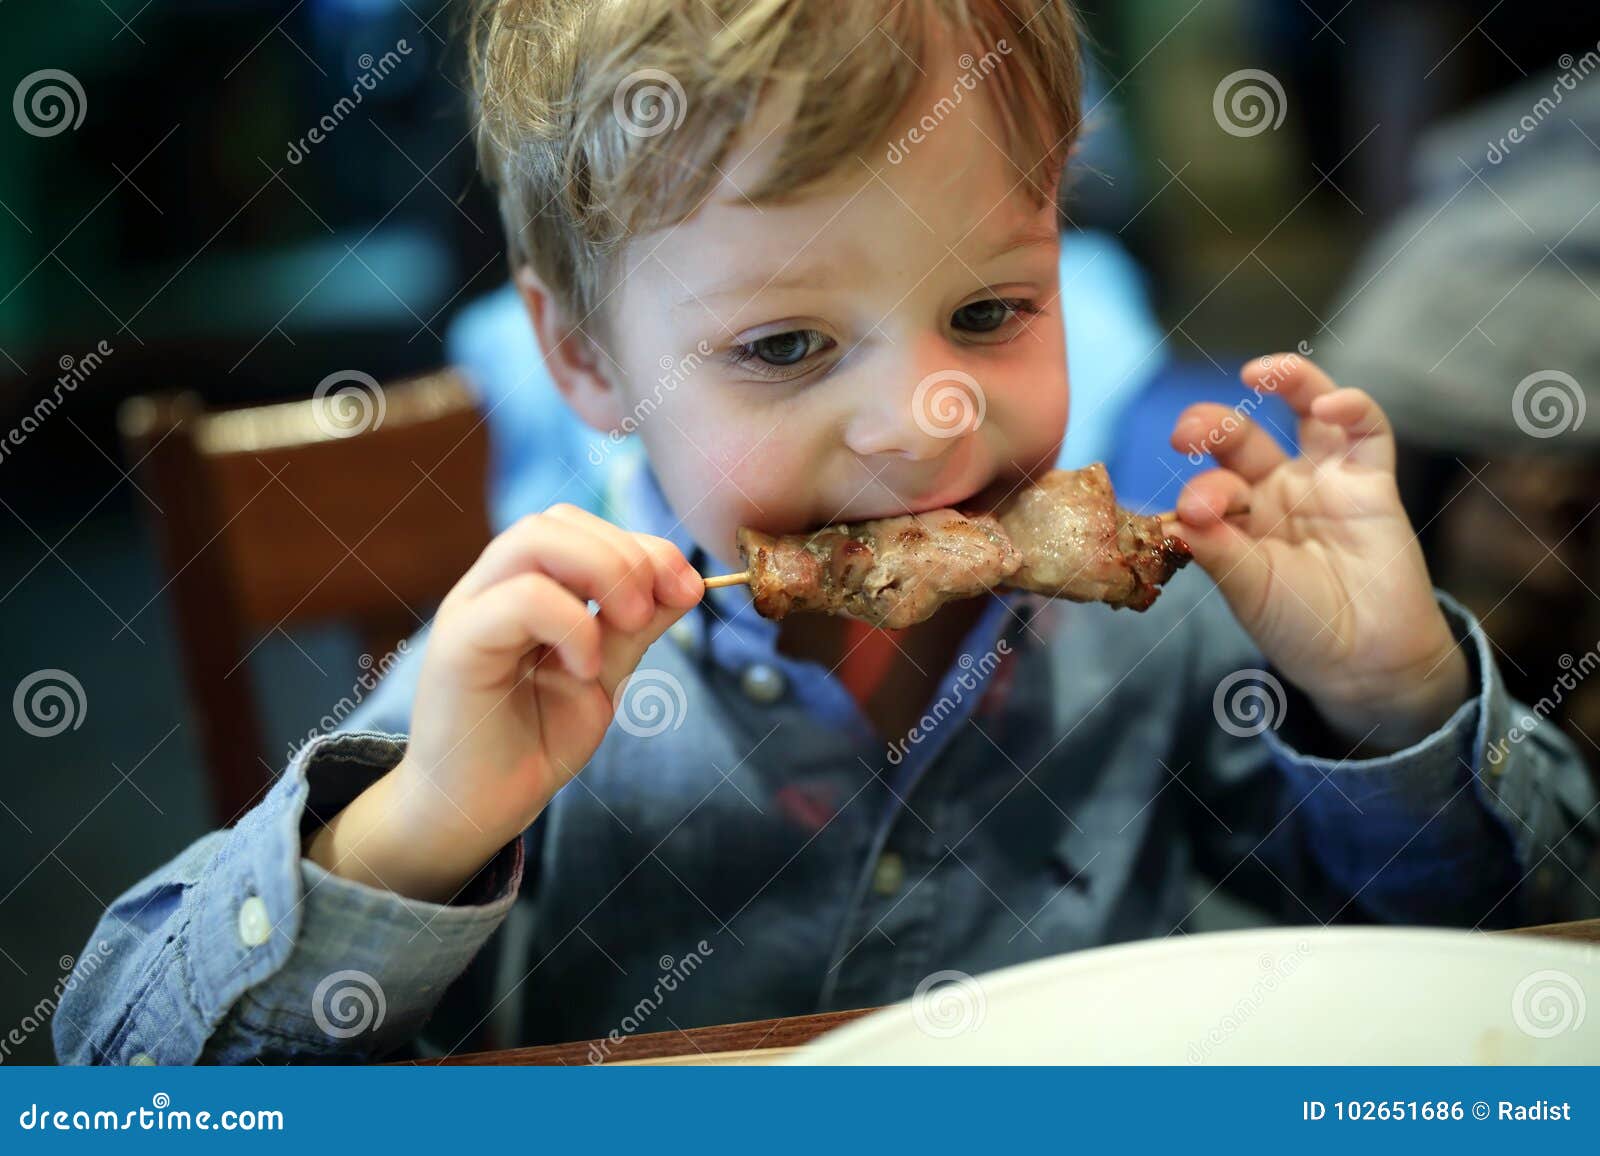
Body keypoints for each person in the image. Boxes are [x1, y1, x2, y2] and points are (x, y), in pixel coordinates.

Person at [57, 0, 1599, 1064]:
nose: (931, 423)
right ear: (586, 360)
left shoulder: (1181, 638)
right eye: (786, 347)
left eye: (993, 310)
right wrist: (409, 834)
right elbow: (119, 1073)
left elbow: (1509, 968)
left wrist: (1393, 700)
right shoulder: (526, 694)